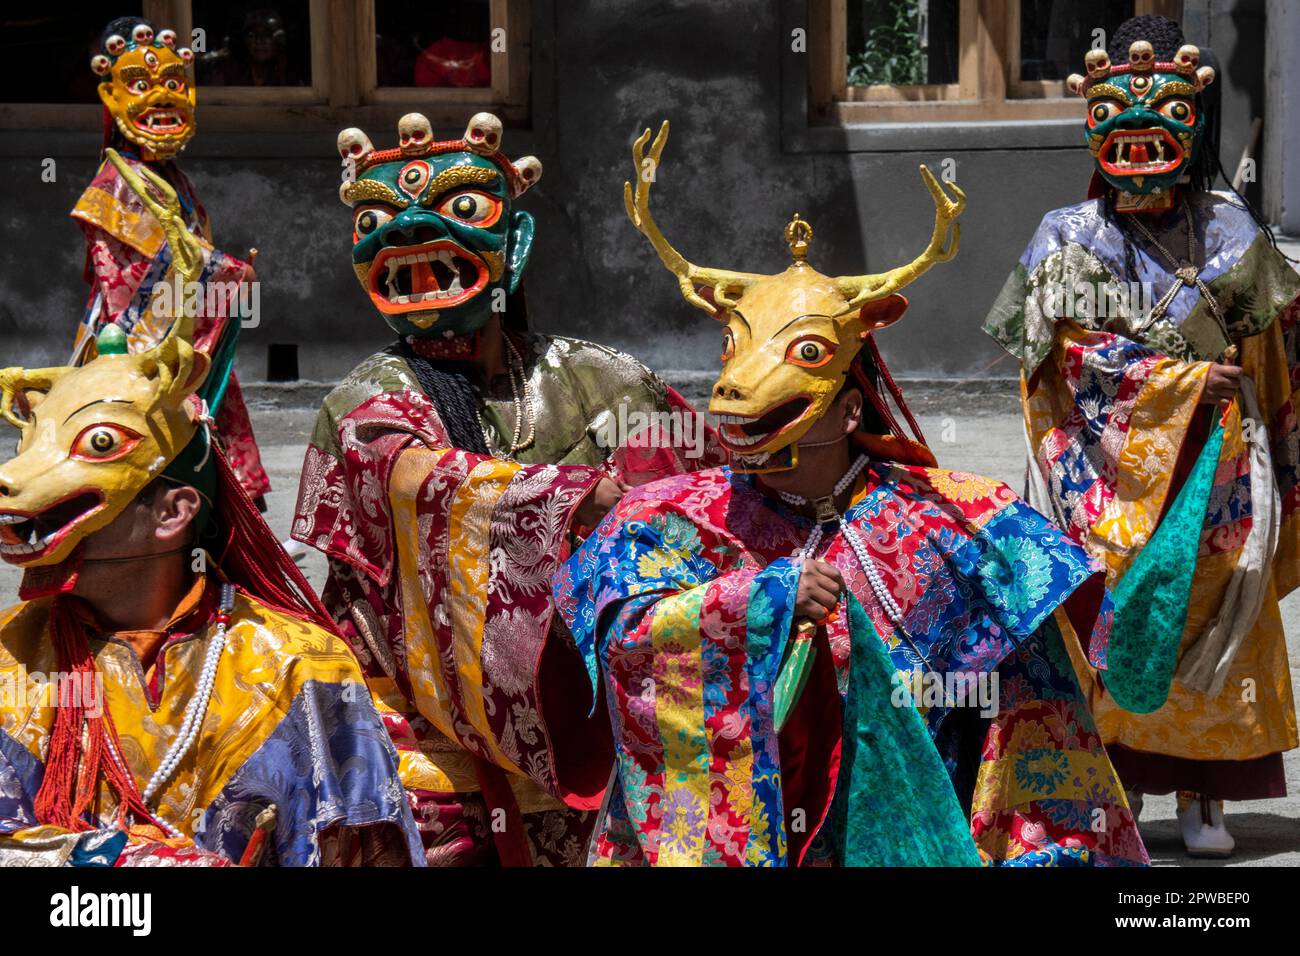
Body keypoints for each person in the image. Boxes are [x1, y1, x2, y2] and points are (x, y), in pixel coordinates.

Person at [553, 121, 1146, 866]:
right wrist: (752, 604)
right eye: (733, 354)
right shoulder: (666, 518)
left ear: (851, 405)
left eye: (804, 359)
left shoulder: (959, 520)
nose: (739, 389)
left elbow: (1031, 705)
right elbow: (623, 649)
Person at [292, 110, 721, 865]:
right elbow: (409, 478)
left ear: (513, 245)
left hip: (587, 702)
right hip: (425, 726)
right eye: (378, 224)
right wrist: (570, 499)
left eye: (460, 212)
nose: (407, 239)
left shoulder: (604, 379)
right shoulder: (364, 399)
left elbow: (690, 515)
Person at [0, 153, 421, 867]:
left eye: (96, 446)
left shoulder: (297, 668)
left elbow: (363, 851)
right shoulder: (15, 659)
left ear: (175, 513)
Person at [983, 14, 1298, 858]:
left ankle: (1209, 800)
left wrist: (1272, 434)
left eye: (1163, 119)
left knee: (1217, 613)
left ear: (1191, 122)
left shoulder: (1233, 230)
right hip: (1101, 467)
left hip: (1217, 463)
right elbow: (1049, 359)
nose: (1140, 145)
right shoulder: (1066, 235)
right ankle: (1101, 791)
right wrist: (1182, 380)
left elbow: (1272, 353)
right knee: (1108, 613)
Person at [73, 16, 270, 506]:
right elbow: (161, 253)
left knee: (215, 405)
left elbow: (183, 242)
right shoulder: (116, 181)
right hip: (139, 329)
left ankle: (231, 514)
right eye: (140, 85)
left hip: (186, 323)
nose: (162, 98)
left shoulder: (171, 176)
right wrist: (229, 270)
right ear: (112, 98)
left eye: (173, 84)